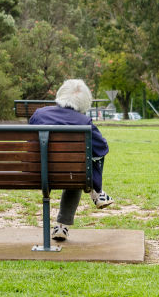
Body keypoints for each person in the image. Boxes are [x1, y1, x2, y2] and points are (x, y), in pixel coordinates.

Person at [28, 78, 113, 242]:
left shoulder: (39, 114)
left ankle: (93, 194)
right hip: (71, 175)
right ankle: (95, 192)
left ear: (61, 94)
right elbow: (102, 149)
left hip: (37, 173)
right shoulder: (84, 122)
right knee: (79, 169)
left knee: (76, 167)